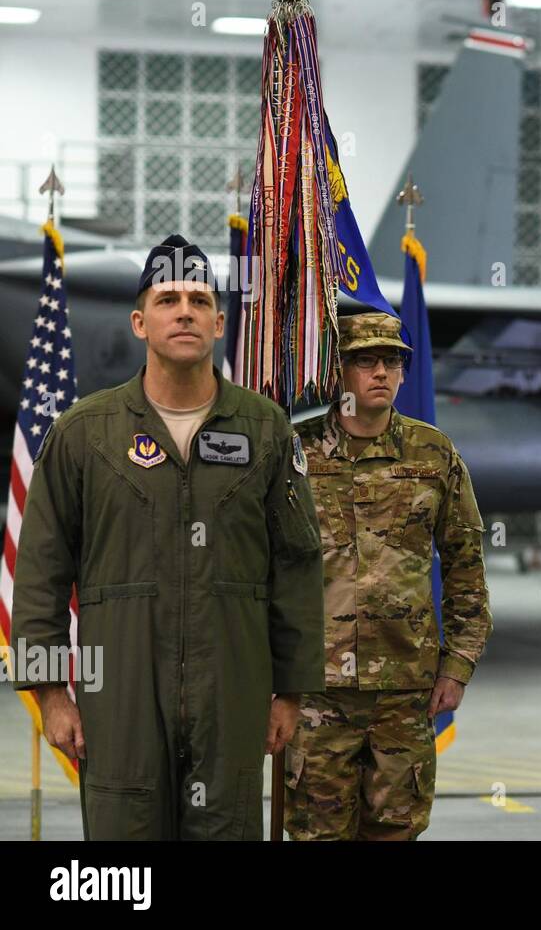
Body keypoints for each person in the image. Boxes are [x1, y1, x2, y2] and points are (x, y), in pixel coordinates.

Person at [12, 233, 324, 840]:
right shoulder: (85, 434)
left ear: (219, 322)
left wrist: (290, 692)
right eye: (167, 298)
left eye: (199, 300)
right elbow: (41, 572)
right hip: (120, 701)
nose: (184, 310)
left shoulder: (265, 433)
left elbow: (297, 566)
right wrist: (51, 693)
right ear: (139, 321)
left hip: (231, 700)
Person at [285, 312, 492, 840]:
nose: (382, 372)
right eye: (365, 360)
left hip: (405, 692)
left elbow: (467, 565)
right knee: (316, 835)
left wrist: (458, 666)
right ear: (339, 371)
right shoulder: (294, 453)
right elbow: (266, 567)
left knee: (396, 833)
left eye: (393, 361)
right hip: (316, 693)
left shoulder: (434, 455)